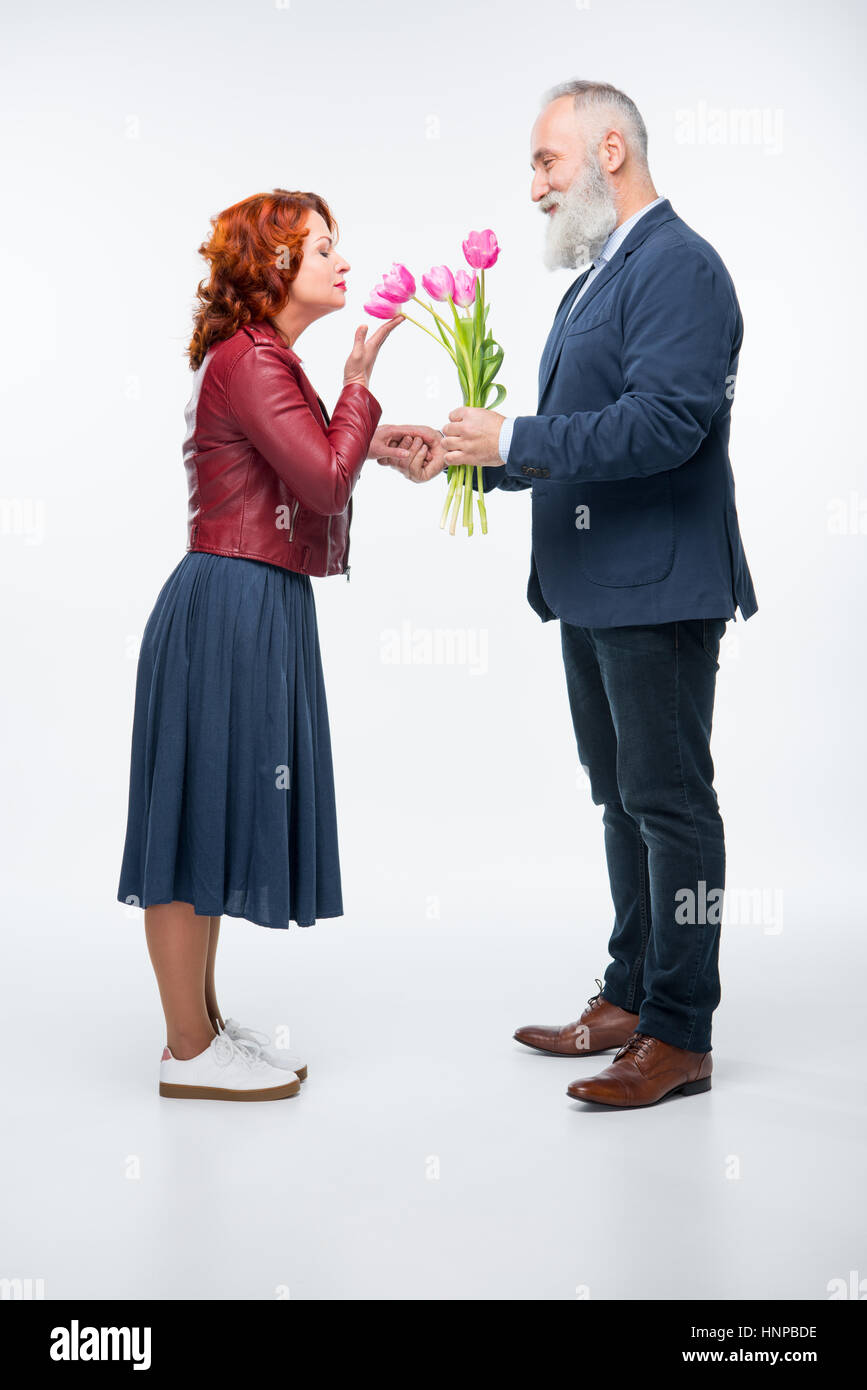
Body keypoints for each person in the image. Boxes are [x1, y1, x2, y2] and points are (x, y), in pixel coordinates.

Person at [390, 80, 758, 1109]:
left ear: (608, 150)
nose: (536, 188)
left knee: (670, 805)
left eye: (545, 164)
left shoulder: (678, 265)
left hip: (657, 587)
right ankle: (633, 992)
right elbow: (582, 436)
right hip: (596, 589)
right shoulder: (598, 277)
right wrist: (466, 457)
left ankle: (681, 1034)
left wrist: (512, 437)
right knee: (621, 798)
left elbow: (666, 424)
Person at [117, 188, 444, 1102]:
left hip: (249, 601)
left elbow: (313, 463)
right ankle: (187, 1052)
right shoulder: (254, 362)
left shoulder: (262, 360)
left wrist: (375, 440)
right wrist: (360, 388)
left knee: (209, 814)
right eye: (323, 247)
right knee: (191, 824)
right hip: (232, 604)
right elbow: (323, 485)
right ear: (273, 267)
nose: (344, 261)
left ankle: (204, 1031)